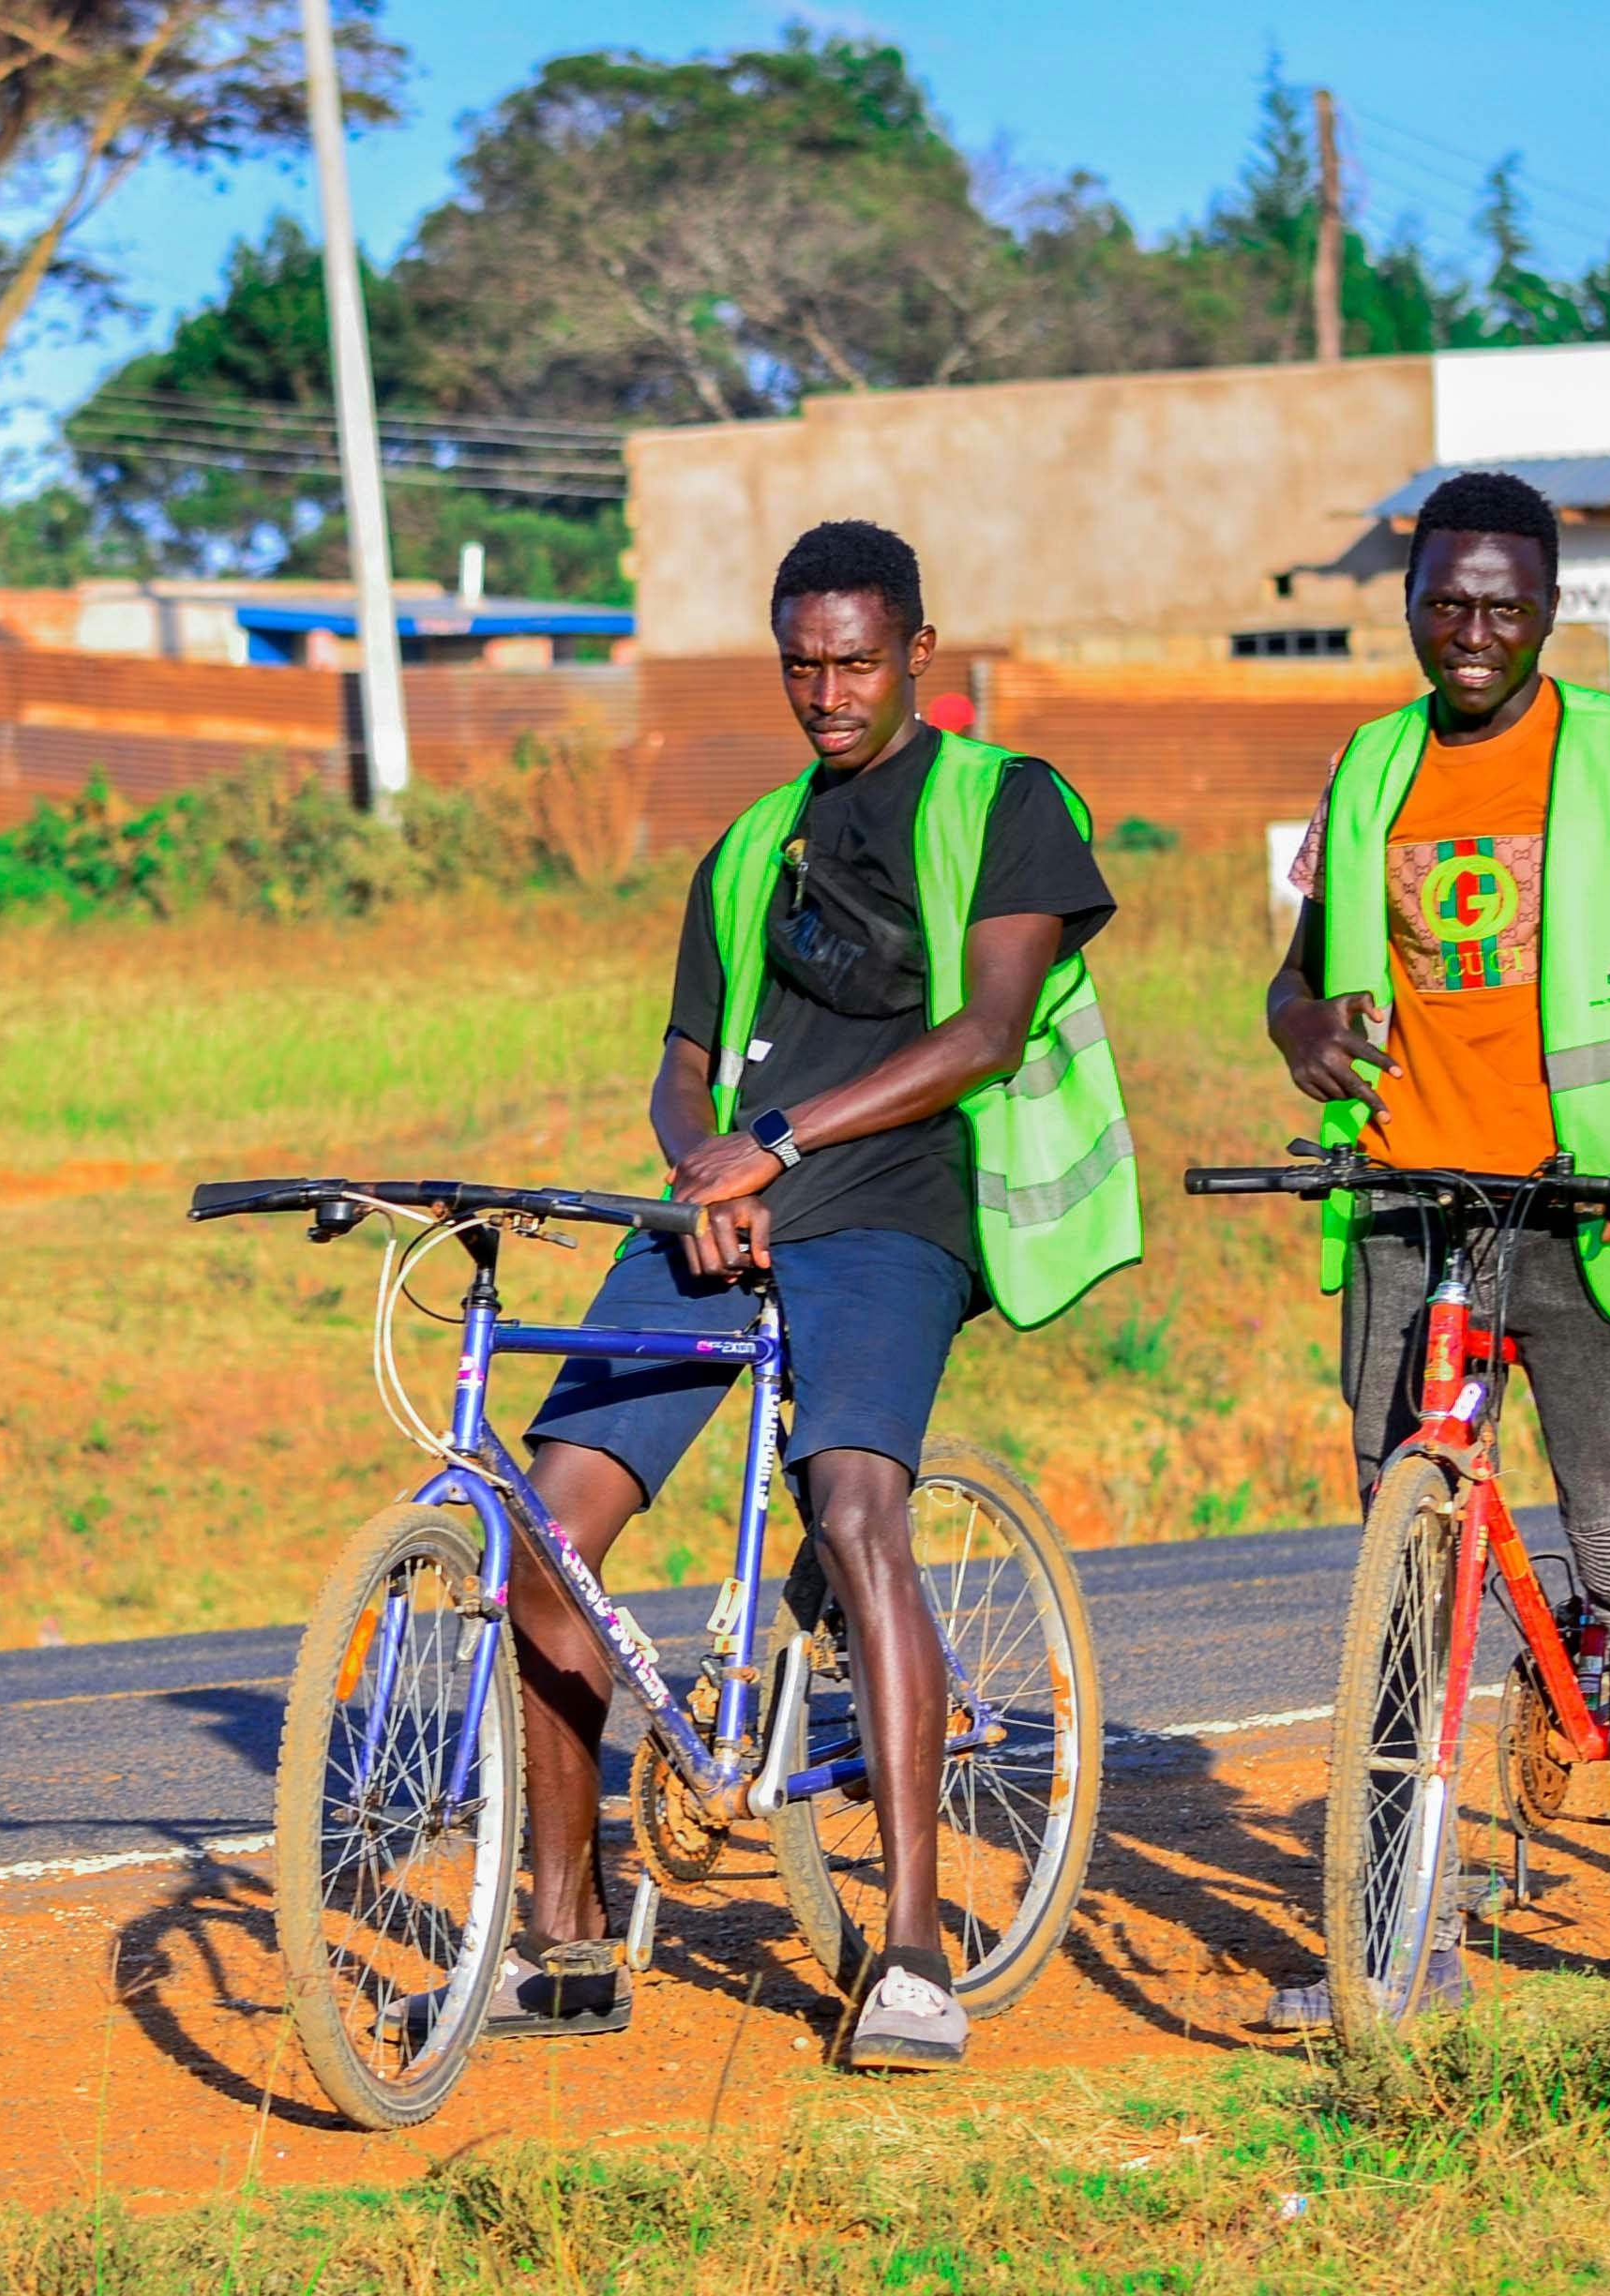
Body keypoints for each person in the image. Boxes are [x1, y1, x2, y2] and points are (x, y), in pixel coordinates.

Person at [479, 520, 1135, 2070]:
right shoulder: (754, 841)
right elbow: (684, 1064)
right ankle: (568, 1935)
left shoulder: (1006, 801)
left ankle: (910, 1954)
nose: (827, 690)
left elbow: (984, 1031)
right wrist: (706, 1165)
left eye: (853, 659)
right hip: (735, 1214)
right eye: (800, 663)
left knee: (853, 1507)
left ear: (917, 650)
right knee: (543, 1532)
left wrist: (777, 1143)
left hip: (898, 1201)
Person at [1262, 469, 1610, 2040]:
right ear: (1412, 602)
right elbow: (1294, 982)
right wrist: (1305, 1033)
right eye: (1445, 602)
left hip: (1590, 1211)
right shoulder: (1366, 768)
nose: (1472, 630)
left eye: (1503, 604)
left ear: (1551, 607)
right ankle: (1398, 1948)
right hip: (1413, 1209)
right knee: (1409, 1579)